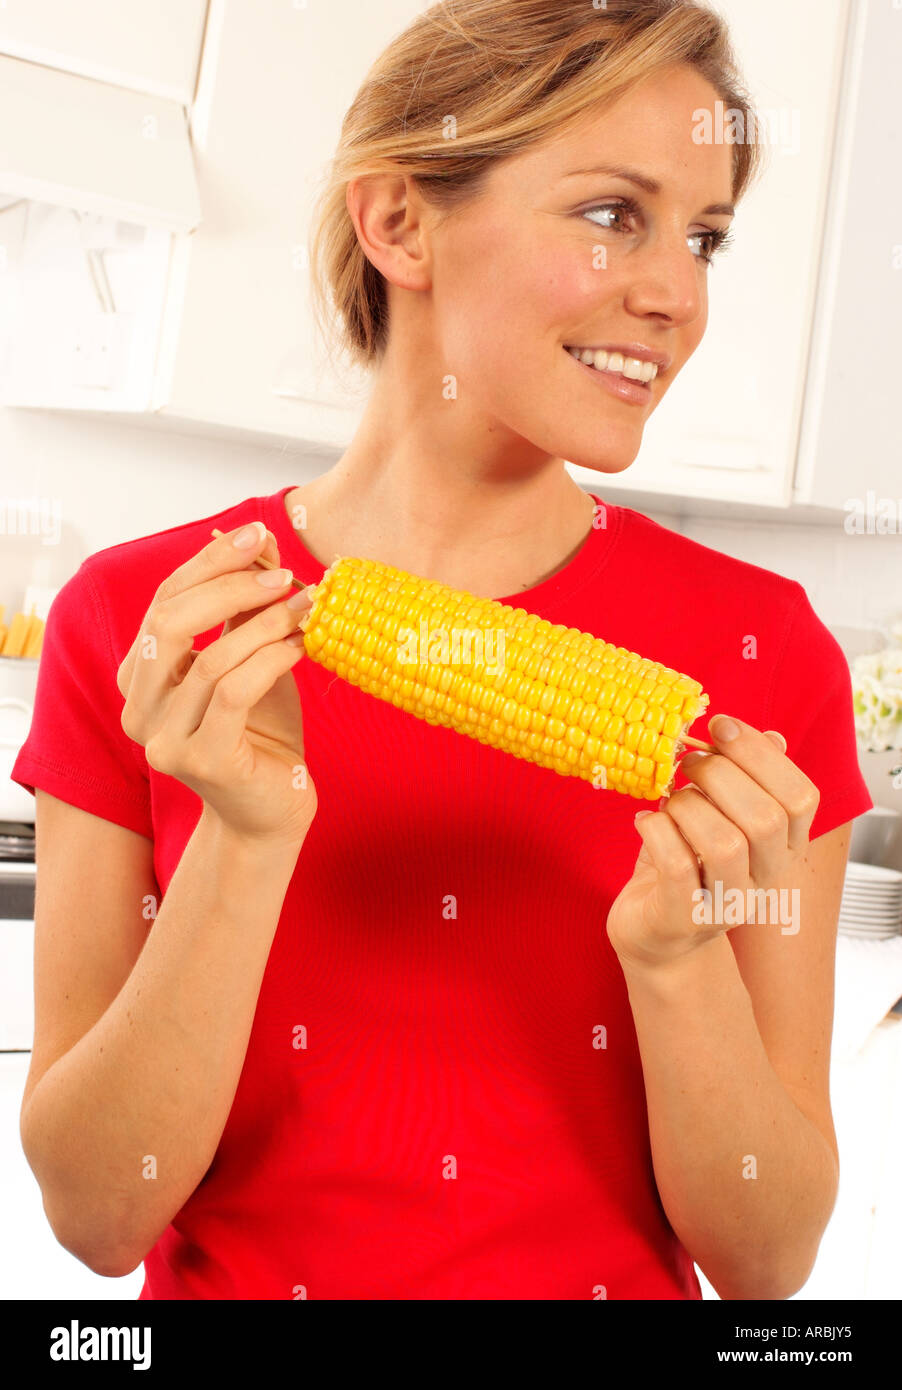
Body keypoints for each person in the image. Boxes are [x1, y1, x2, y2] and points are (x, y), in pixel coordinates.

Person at [13, 0, 871, 1300]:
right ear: (399, 221)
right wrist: (244, 840)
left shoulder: (759, 658)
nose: (676, 294)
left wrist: (676, 962)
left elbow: (765, 1259)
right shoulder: (145, 623)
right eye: (608, 213)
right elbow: (96, 1212)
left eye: (703, 237)